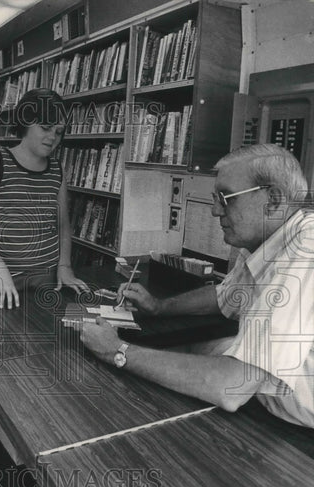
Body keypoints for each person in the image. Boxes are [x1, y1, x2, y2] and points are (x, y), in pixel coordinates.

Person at [79, 144, 314, 428]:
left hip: (295, 433)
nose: (215, 210)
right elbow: (224, 297)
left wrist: (117, 351)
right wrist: (159, 307)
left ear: (273, 201)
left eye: (227, 198)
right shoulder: (263, 241)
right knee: (188, 352)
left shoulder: (306, 249)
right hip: (268, 400)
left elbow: (232, 386)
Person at [0, 88, 88, 309]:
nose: (52, 137)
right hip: (2, 278)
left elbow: (62, 225)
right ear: (25, 121)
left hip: (46, 278)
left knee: (43, 337)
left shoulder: (57, 170)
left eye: (59, 132)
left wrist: (65, 265)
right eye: (45, 128)